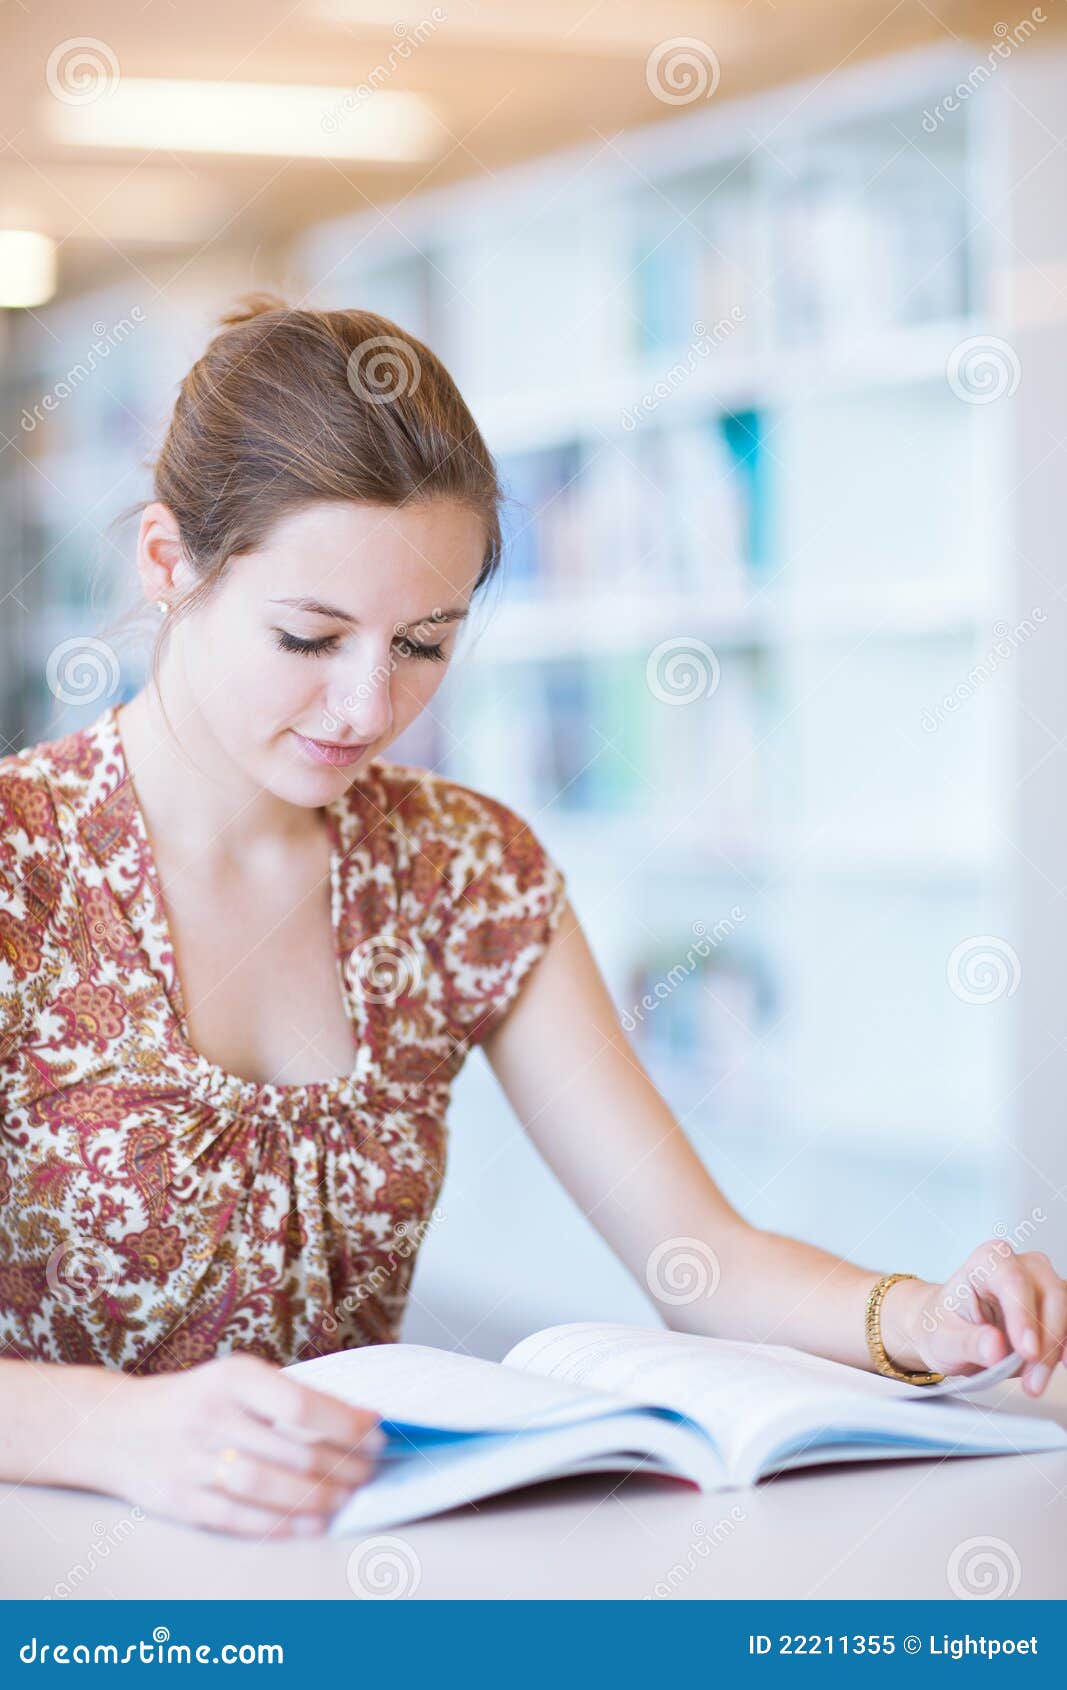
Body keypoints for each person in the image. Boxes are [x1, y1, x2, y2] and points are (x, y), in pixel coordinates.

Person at [1, 295, 1064, 1543]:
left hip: (341, 1555)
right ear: (166, 561)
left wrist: (921, 1317)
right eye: (309, 636)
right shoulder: (22, 861)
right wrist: (123, 1431)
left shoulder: (464, 869)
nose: (366, 706)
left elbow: (700, 1257)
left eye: (422, 643)